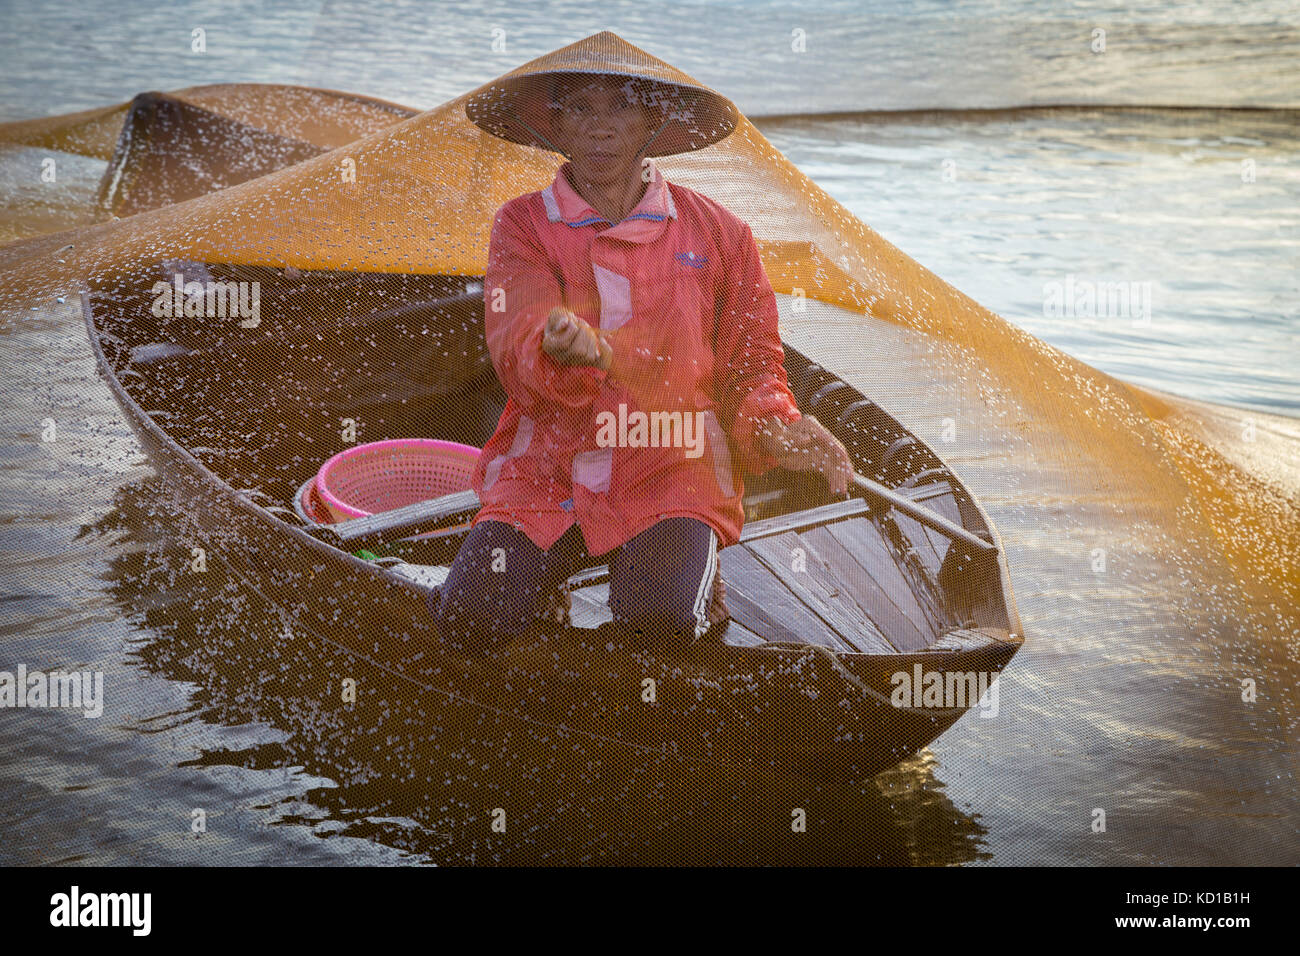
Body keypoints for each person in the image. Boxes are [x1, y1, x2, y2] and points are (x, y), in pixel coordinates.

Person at [435, 56, 850, 652]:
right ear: (557, 124)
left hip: (671, 463)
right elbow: (515, 347)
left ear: (651, 123)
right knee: (471, 620)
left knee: (661, 627)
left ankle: (697, 593)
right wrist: (558, 350)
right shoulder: (522, 224)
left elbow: (752, 367)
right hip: (551, 464)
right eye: (581, 108)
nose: (600, 128)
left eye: (621, 108)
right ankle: (543, 600)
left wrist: (782, 431)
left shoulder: (721, 234)